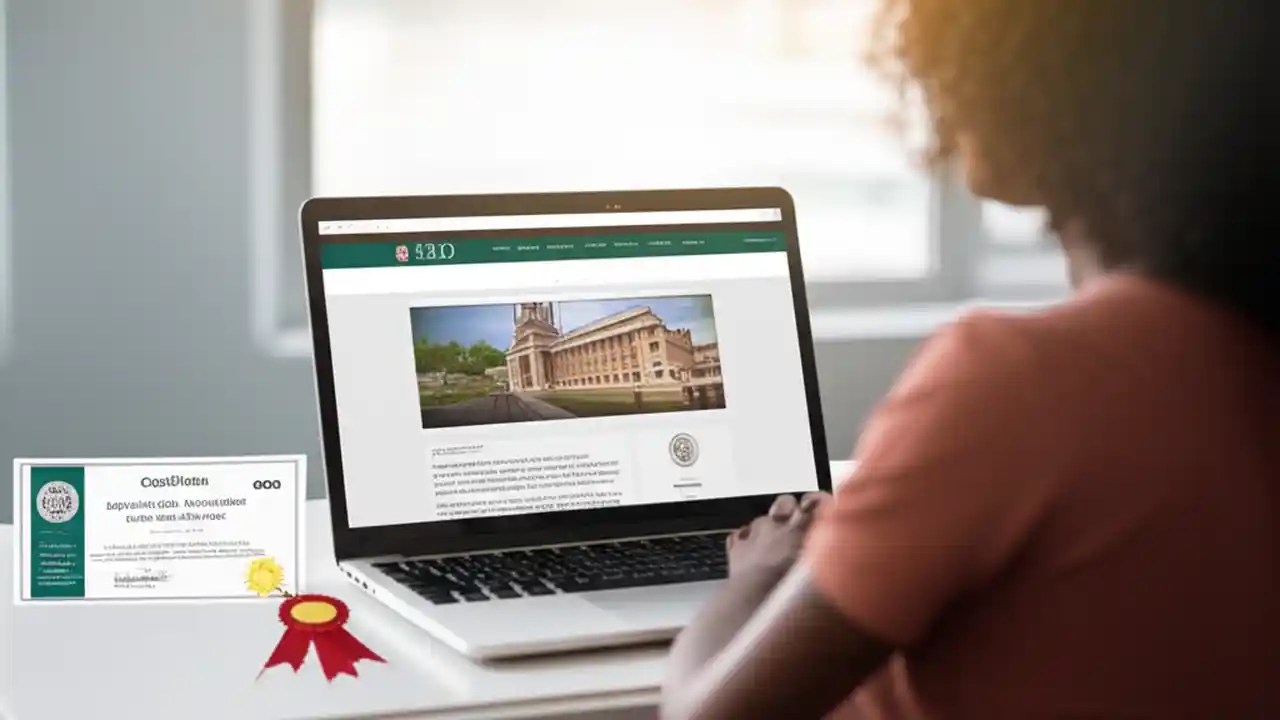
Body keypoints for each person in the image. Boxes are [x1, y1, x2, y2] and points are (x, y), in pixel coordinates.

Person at [661, 2, 1278, 718]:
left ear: (1045, 87)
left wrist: (753, 579)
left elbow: (701, 715)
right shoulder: (1234, 348)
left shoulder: (1014, 382)